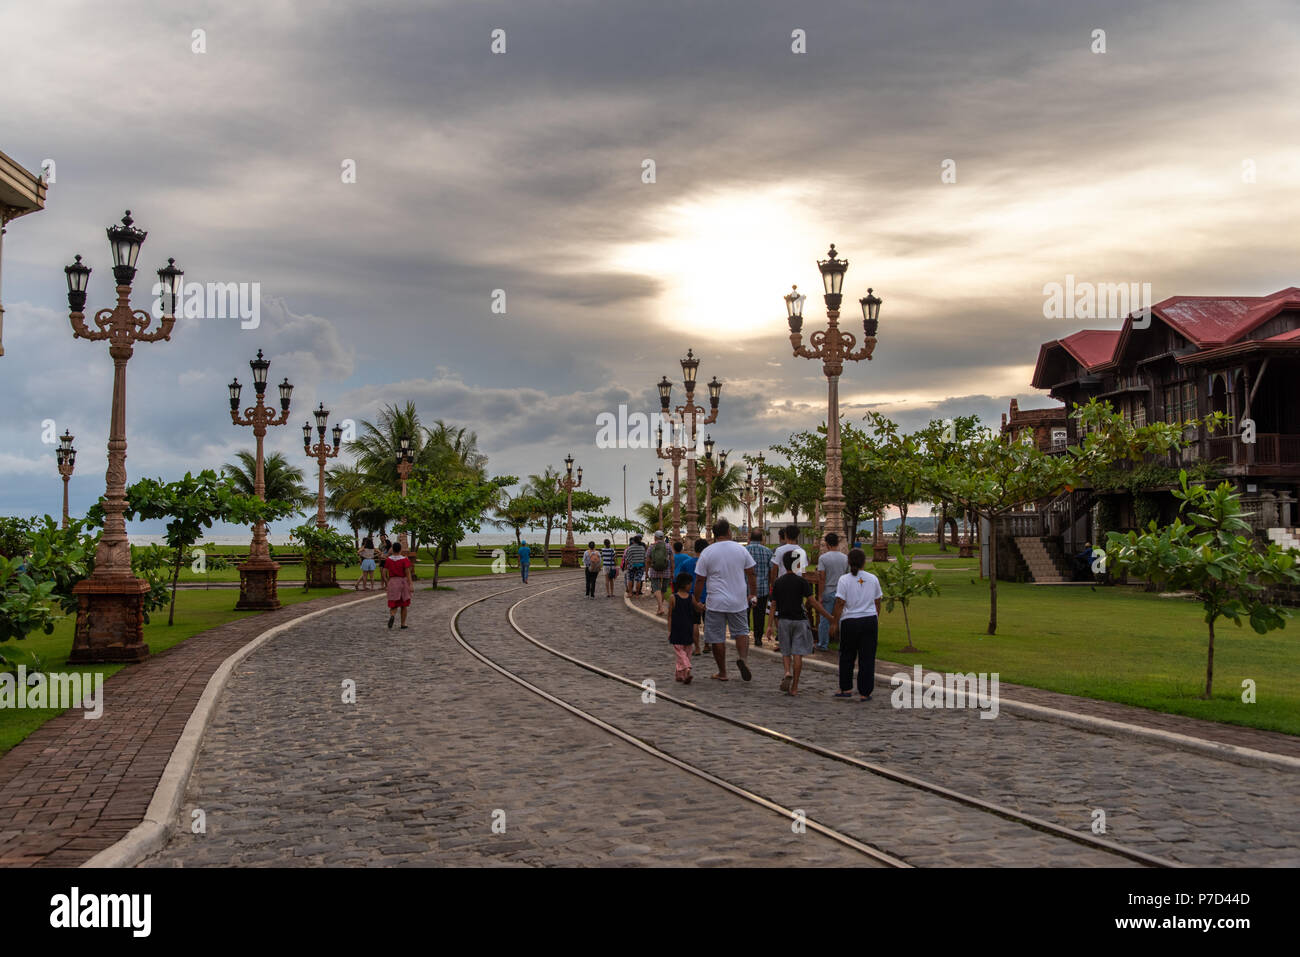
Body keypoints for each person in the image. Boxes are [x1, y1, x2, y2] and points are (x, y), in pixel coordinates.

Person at [692, 518, 757, 681]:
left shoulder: (707, 552)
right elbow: (751, 573)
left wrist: (696, 600)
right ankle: (743, 659)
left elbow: (699, 579)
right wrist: (753, 594)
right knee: (742, 632)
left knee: (716, 637)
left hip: (716, 601)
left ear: (714, 535)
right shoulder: (741, 550)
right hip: (738, 600)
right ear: (729, 532)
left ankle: (722, 672)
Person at [827, 548, 883, 701]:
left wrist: (834, 622)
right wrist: (875, 616)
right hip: (869, 620)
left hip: (850, 620)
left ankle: (846, 687)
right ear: (864, 562)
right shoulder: (873, 579)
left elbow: (840, 602)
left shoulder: (844, 580)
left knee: (846, 655)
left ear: (849, 562)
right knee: (867, 657)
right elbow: (878, 601)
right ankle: (865, 691)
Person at [771, 550, 830, 695]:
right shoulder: (802, 582)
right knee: (798, 654)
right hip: (800, 620)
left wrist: (769, 625)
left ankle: (786, 672)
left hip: (784, 620)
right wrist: (828, 615)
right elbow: (812, 601)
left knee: (785, 651)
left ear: (784, 565)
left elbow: (773, 605)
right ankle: (795, 687)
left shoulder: (779, 582)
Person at [815, 532, 849, 652]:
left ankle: (823, 643)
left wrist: (819, 595)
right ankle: (843, 644)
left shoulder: (823, 558)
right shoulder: (845, 558)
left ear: (827, 544)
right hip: (841, 591)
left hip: (828, 590)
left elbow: (822, 578)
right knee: (841, 619)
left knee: (825, 619)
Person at [745, 529, 774, 648]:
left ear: (750, 539)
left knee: (745, 614)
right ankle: (758, 638)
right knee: (760, 615)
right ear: (762, 539)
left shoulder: (744, 551)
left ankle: (744, 635)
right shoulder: (768, 552)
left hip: (745, 589)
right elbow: (771, 570)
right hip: (762, 589)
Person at [667, 571, 696, 684]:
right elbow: (669, 615)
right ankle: (684, 670)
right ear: (685, 584)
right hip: (684, 628)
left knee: (682, 652)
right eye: (690, 584)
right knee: (685, 651)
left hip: (681, 628)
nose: (691, 586)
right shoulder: (687, 597)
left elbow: (669, 616)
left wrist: (669, 630)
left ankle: (683, 671)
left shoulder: (675, 597)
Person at [382, 540, 414, 630]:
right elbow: (407, 573)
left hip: (392, 582)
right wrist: (410, 584)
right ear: (400, 549)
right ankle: (403, 623)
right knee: (404, 604)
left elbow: (384, 573)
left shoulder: (388, 560)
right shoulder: (404, 560)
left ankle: (392, 615)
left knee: (393, 603)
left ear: (392, 550)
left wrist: (387, 582)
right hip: (402, 582)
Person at [770, 524, 808, 590]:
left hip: (783, 582)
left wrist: (773, 584)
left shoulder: (779, 550)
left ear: (785, 535)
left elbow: (774, 569)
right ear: (797, 536)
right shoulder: (802, 551)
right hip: (797, 583)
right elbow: (803, 570)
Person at [647, 530, 673, 615]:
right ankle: (660, 608)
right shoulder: (668, 546)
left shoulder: (651, 546)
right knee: (663, 590)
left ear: (655, 537)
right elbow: (672, 560)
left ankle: (660, 608)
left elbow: (647, 560)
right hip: (666, 571)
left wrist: (647, 570)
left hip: (654, 570)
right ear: (663, 537)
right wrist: (672, 571)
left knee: (656, 588)